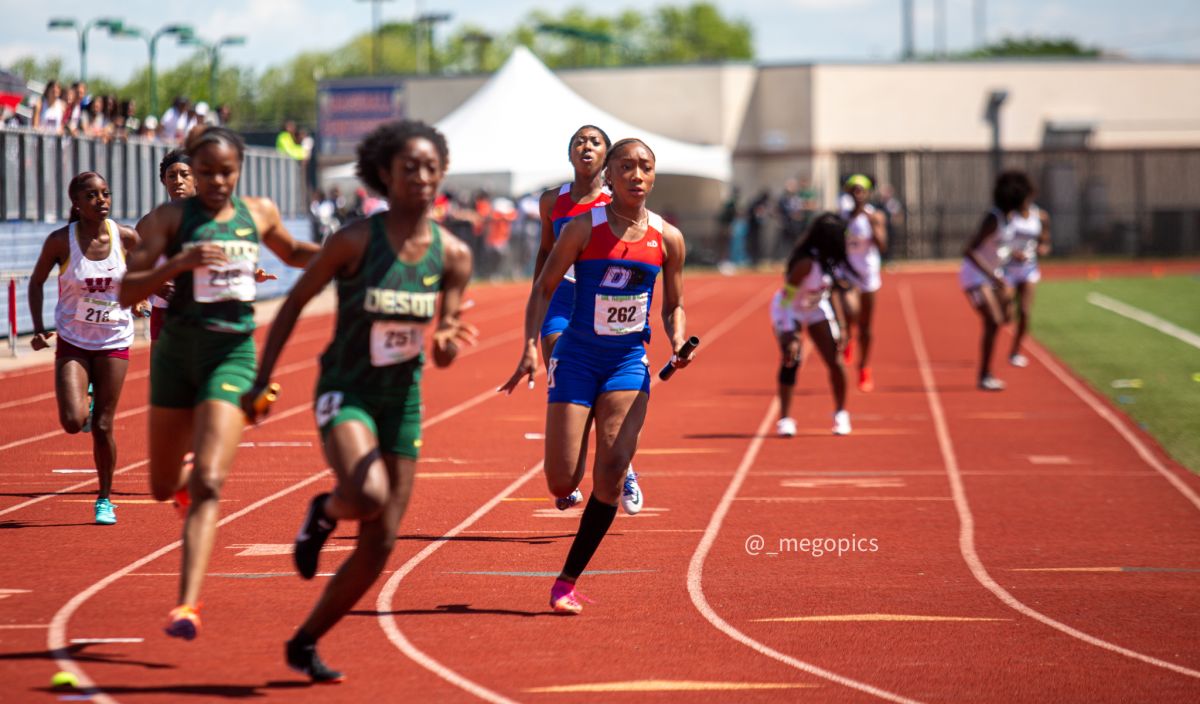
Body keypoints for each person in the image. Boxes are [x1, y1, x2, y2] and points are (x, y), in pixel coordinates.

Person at [242, 120, 475, 682]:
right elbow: (294, 304)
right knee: (367, 494)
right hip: (345, 391)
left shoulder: (454, 256)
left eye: (429, 168)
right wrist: (261, 379)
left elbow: (442, 346)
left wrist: (445, 343)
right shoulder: (353, 241)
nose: (420, 177)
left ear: (442, 174)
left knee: (380, 543)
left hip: (402, 402)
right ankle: (322, 513)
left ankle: (304, 642)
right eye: (408, 168)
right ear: (385, 176)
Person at [118, 127, 321, 639]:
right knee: (164, 484)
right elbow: (126, 292)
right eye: (205, 172)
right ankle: (179, 491)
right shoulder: (166, 220)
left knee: (209, 479)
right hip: (175, 355)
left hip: (231, 353)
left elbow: (294, 252)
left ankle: (186, 606)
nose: (214, 181)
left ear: (239, 170)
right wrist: (182, 262)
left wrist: (357, 253)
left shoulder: (259, 213)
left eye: (224, 172)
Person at [501, 138, 694, 614]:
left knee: (607, 475)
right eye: (625, 166)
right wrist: (530, 345)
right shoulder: (583, 229)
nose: (635, 174)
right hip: (578, 355)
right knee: (561, 479)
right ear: (610, 175)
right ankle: (587, 437)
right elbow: (543, 288)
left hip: (628, 360)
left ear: (653, 177)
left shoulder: (668, 238)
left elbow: (674, 306)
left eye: (644, 167)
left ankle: (565, 581)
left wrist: (677, 339)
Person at [531, 125, 643, 515]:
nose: (586, 146)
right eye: (580, 140)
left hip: (601, 305)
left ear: (607, 159)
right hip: (561, 303)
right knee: (567, 385)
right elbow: (545, 253)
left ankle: (621, 463)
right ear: (570, 154)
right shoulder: (552, 201)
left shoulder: (617, 202)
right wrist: (536, 303)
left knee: (606, 402)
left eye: (595, 141)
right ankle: (569, 471)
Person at [28, 172, 148, 525]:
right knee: (72, 421)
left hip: (114, 339)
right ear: (76, 204)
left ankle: (104, 498)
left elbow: (146, 274)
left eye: (105, 194)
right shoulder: (59, 242)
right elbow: (35, 283)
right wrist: (37, 329)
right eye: (92, 196)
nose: (101, 200)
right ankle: (86, 404)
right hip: (73, 339)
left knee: (104, 426)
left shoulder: (126, 237)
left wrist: (142, 297)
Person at [771, 212, 853, 437]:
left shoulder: (829, 260)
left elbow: (832, 292)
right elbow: (786, 299)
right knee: (791, 359)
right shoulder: (806, 263)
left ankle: (841, 414)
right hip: (790, 310)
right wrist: (790, 333)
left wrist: (841, 325)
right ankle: (785, 419)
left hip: (817, 307)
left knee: (835, 360)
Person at [960, 170, 1029, 391]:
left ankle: (986, 374)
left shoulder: (1010, 218)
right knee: (994, 320)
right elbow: (969, 249)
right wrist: (991, 274)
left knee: (1004, 318)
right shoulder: (993, 218)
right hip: (975, 275)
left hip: (993, 274)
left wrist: (1012, 254)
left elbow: (999, 246)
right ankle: (984, 375)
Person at [837, 174, 887, 392]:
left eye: (861, 190)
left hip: (868, 275)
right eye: (853, 190)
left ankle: (864, 366)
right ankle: (848, 335)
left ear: (867, 193)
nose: (857, 194)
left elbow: (882, 246)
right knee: (850, 310)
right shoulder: (842, 217)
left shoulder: (874, 216)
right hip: (848, 273)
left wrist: (872, 225)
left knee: (866, 326)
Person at [147, 150, 195, 342]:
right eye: (171, 176)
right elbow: (126, 266)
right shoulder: (150, 223)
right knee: (163, 372)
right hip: (165, 313)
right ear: (164, 181)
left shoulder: (214, 220)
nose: (178, 181)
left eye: (185, 174)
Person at [1003, 184, 1051, 367]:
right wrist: (1012, 252)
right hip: (1007, 268)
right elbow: (1000, 240)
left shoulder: (1041, 216)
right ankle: (1005, 311)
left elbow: (1046, 240)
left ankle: (1015, 351)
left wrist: (1043, 248)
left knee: (1024, 312)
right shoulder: (1009, 216)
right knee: (1005, 312)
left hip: (1028, 269)